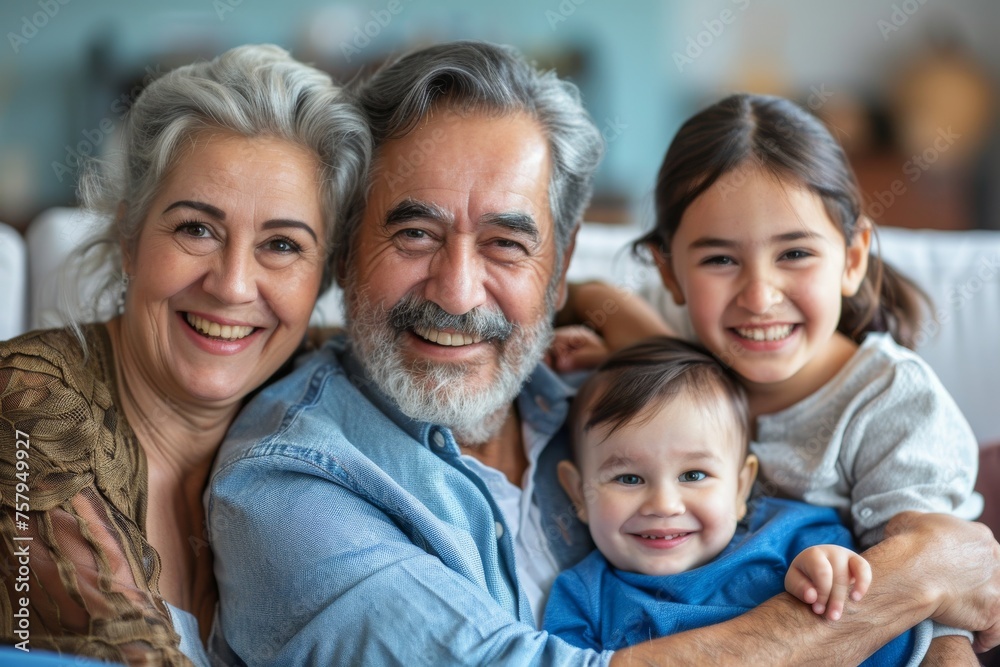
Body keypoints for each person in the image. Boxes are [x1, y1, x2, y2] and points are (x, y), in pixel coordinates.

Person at [207, 41, 1000, 666]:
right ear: (345, 248)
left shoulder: (600, 389)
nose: (456, 291)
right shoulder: (288, 484)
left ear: (559, 265)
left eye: (507, 242)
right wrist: (916, 578)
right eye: (414, 232)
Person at [0, 44, 369, 665]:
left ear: (323, 280)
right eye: (196, 229)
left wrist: (587, 310)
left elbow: (425, 333)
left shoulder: (306, 379)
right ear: (129, 239)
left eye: (281, 245)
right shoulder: (27, 404)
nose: (231, 286)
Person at [638, 92, 984, 664]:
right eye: (720, 260)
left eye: (795, 253)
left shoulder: (892, 402)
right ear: (668, 272)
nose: (759, 296)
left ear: (852, 260)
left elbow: (940, 613)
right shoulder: (673, 367)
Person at [544, 337, 917, 664]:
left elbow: (889, 636)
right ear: (579, 492)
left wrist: (835, 573)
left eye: (693, 475)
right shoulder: (582, 598)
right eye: (628, 478)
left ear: (741, 489)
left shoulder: (793, 540)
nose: (664, 504)